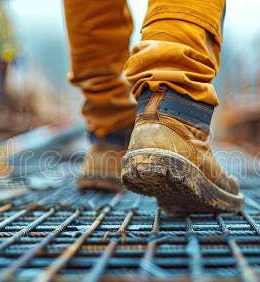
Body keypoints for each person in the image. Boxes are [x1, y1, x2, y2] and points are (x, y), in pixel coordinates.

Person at [65, 0, 243, 214]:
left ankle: (110, 138)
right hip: (179, 116)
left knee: (95, 8)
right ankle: (178, 114)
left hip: (104, 130)